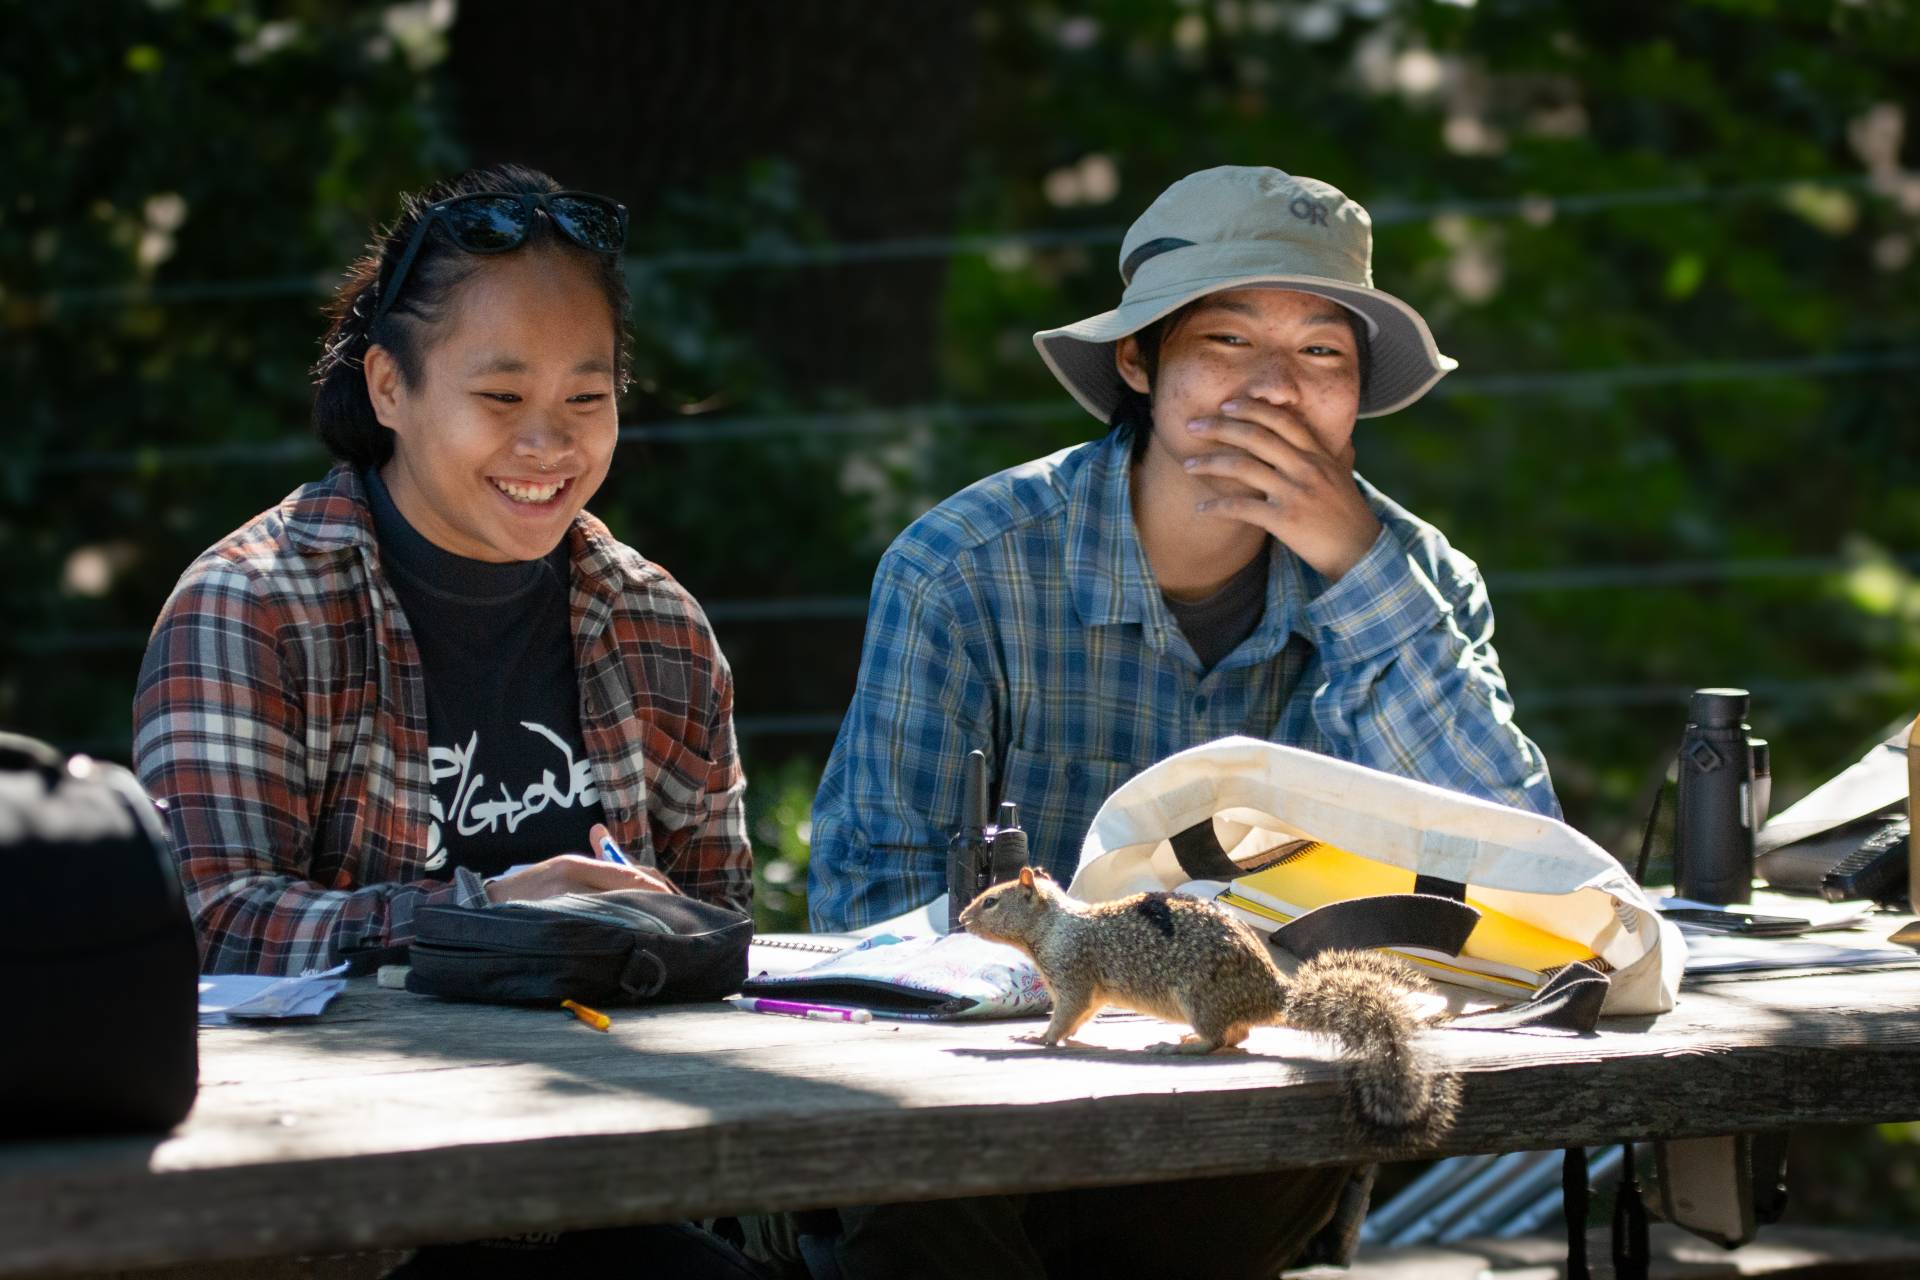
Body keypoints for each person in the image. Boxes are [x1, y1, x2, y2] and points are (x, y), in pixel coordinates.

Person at [796, 166, 1561, 1278]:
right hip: (972, 1123)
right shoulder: (964, 569)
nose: (1274, 390)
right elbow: (870, 910)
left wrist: (1356, 570)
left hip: (1242, 1127)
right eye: (1228, 341)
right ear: (1138, 361)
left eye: (1322, 353)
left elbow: (1521, 873)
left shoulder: (1418, 580)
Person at [132, 164, 751, 975]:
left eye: (586, 399)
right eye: (501, 398)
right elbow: (212, 922)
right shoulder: (251, 608)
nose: (548, 446)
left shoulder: (660, 626)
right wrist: (486, 911)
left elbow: (721, 923)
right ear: (389, 386)